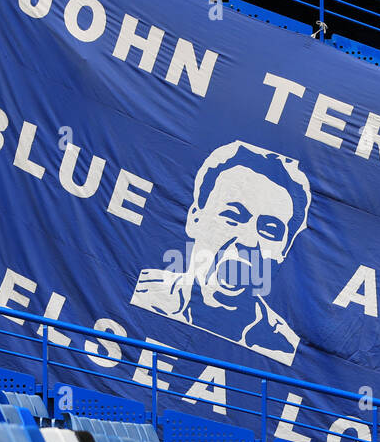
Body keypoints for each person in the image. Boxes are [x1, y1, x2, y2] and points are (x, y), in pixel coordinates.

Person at [131, 140, 311, 366]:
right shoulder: (144, 293)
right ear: (195, 218)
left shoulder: (282, 346)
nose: (248, 241)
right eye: (233, 216)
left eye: (269, 230)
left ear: (283, 251)